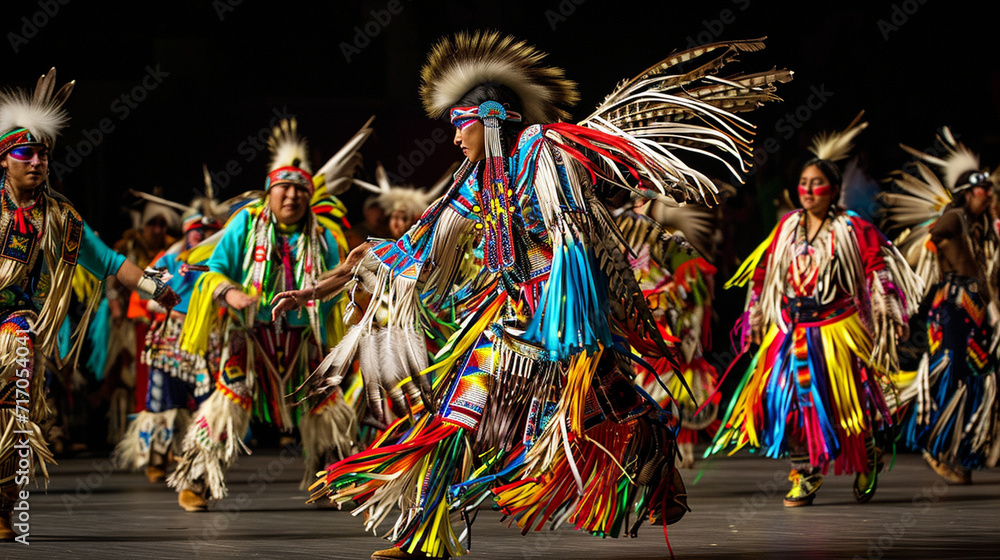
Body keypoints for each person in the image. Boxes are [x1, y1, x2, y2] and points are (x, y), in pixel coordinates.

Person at [284, 32, 789, 559]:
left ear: (492, 119)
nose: (455, 140)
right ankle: (421, 540)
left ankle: (654, 459)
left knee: (598, 411)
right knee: (456, 423)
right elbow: (420, 247)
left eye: (461, 127)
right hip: (503, 325)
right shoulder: (476, 182)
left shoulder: (541, 149)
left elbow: (574, 229)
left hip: (565, 316)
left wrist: (569, 306)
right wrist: (330, 280)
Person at [0, 68, 179, 540]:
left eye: (43, 153)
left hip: (16, 325)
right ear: (4, 160)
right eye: (26, 152)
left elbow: (108, 261)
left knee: (13, 395)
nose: (37, 162)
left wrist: (153, 286)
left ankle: (4, 502)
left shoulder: (61, 217)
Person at [707, 115, 923, 506]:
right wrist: (757, 314)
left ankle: (867, 451)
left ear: (833, 189)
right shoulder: (787, 227)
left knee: (847, 405)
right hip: (790, 331)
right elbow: (763, 274)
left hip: (837, 331)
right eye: (803, 184)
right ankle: (804, 473)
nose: (808, 190)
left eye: (816, 184)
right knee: (784, 402)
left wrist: (888, 314)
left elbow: (878, 270)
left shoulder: (853, 228)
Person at [167, 117, 372, 512]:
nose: (292, 196)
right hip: (250, 334)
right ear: (269, 192)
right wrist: (231, 294)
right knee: (229, 400)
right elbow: (212, 270)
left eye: (300, 189)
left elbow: (336, 283)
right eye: (284, 188)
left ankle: (328, 478)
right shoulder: (244, 223)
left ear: (309, 195)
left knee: (326, 405)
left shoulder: (323, 235)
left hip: (304, 337)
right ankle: (197, 478)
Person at [884, 130, 1000, 483]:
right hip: (952, 308)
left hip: (977, 309)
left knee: (977, 377)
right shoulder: (953, 218)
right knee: (948, 373)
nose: (989, 194)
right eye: (984, 190)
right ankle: (934, 446)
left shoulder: (982, 226)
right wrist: (923, 266)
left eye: (991, 190)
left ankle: (962, 451)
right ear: (967, 192)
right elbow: (925, 245)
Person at [113, 208, 223, 483]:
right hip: (170, 338)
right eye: (197, 232)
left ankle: (197, 459)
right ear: (186, 234)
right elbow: (144, 296)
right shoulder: (170, 261)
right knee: (161, 402)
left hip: (205, 339)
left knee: (206, 403)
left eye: (208, 234)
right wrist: (168, 308)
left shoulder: (219, 261)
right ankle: (155, 458)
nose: (202, 238)